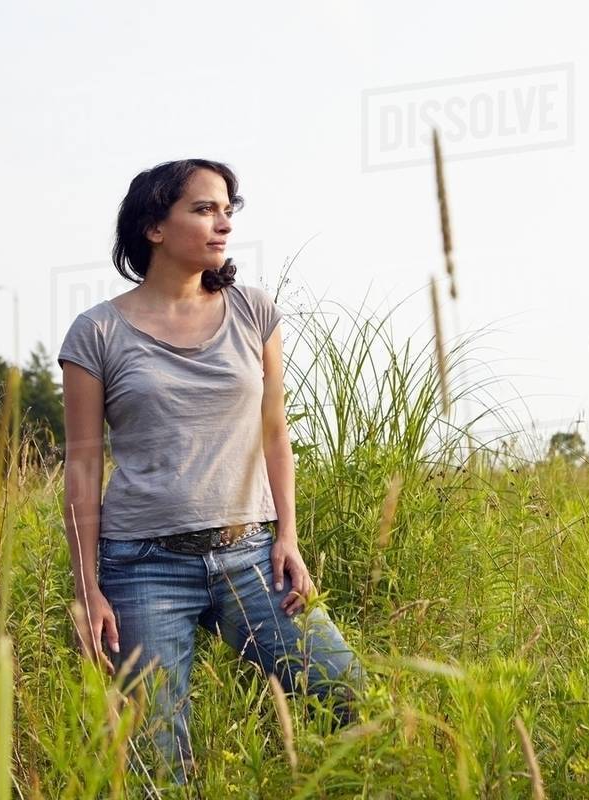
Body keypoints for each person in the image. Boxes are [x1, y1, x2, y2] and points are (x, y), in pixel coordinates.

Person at [57, 158, 362, 785]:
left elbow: (275, 432)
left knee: (353, 699)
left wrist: (288, 536)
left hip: (251, 554)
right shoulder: (97, 333)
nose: (223, 223)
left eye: (229, 208)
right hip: (142, 568)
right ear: (154, 227)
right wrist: (88, 590)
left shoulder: (253, 311)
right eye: (203, 209)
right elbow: (83, 465)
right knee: (156, 765)